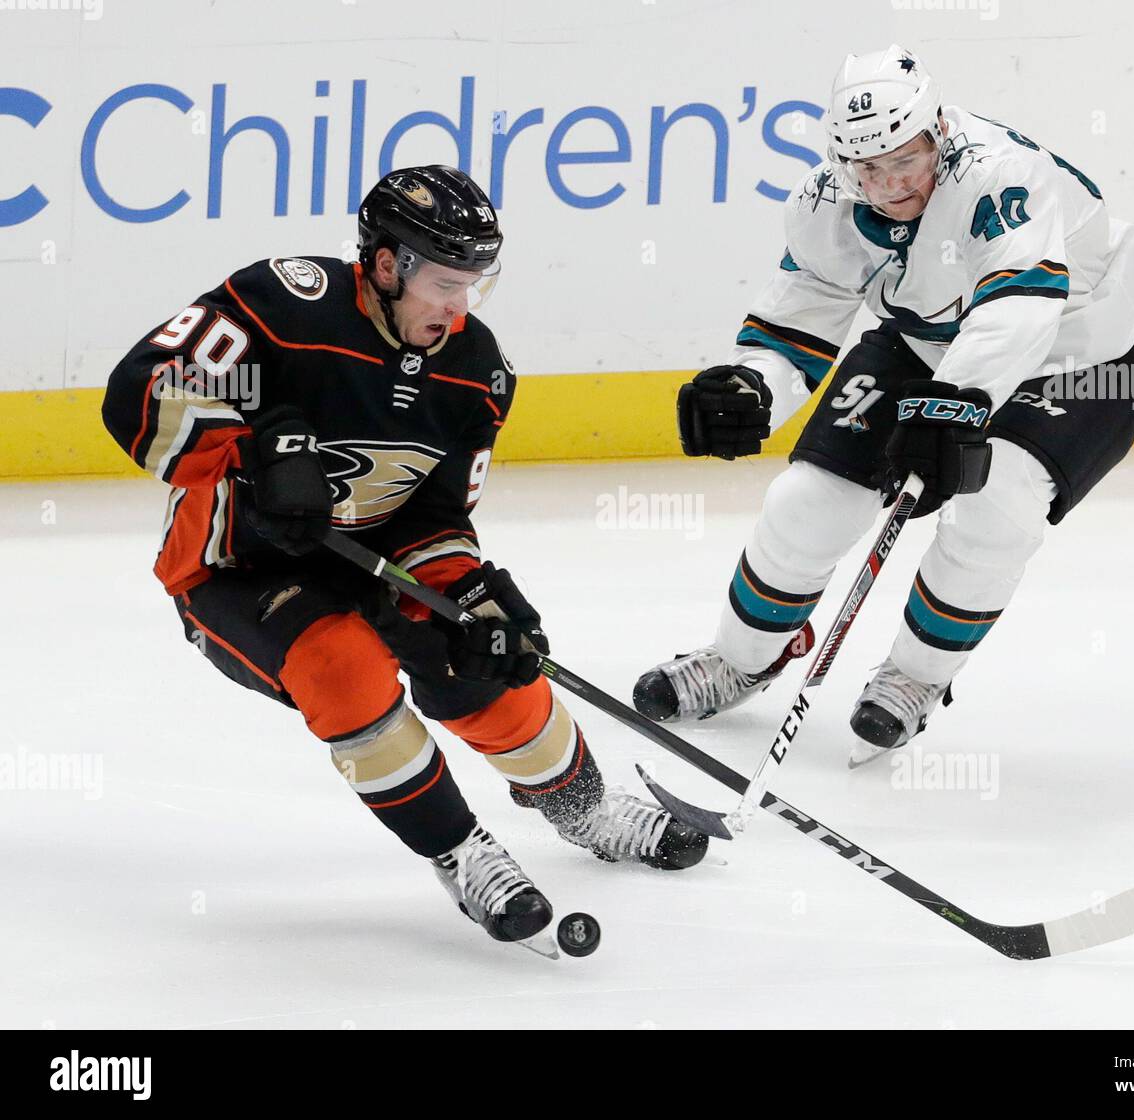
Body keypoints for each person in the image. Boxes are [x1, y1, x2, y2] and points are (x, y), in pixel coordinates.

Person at [102, 165, 707, 952]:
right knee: (343, 666)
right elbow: (137, 389)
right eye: (447, 285)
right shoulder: (286, 307)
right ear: (387, 266)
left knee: (483, 665)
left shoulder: (475, 371)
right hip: (234, 568)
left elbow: (433, 515)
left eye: (475, 286)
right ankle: (460, 853)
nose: (460, 308)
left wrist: (473, 599)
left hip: (368, 559)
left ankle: (582, 807)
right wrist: (253, 449)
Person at [634, 46, 1134, 766]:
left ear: (937, 130)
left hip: (1075, 354)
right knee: (805, 500)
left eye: (904, 160)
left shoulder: (999, 175)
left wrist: (950, 411)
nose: (888, 185)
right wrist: (755, 383)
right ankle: (741, 658)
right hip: (932, 342)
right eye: (867, 169)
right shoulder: (827, 202)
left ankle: (914, 679)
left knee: (997, 506)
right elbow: (803, 313)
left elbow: (1017, 309)